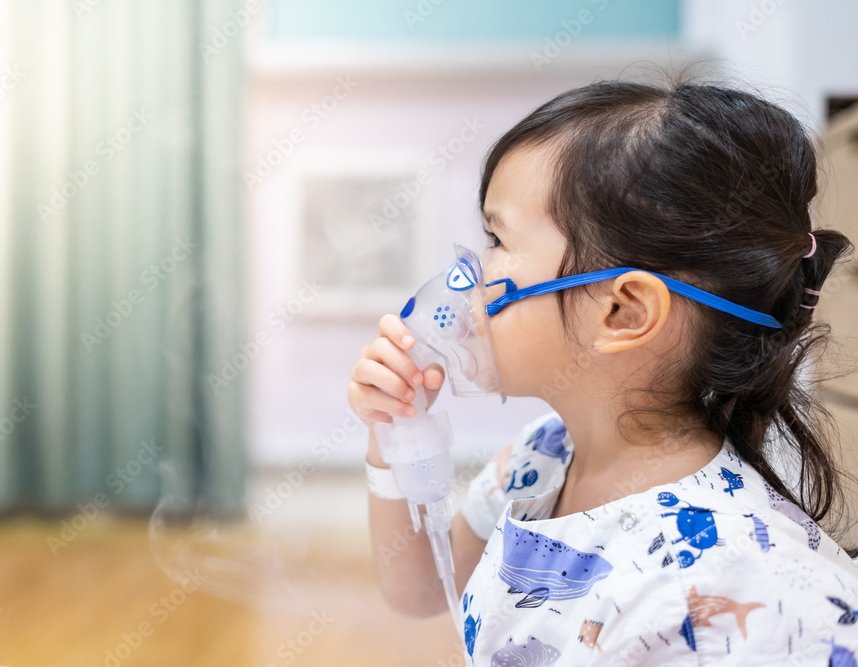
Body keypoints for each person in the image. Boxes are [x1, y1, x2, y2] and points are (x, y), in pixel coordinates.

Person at [347, 79, 858, 665]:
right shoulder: (541, 459)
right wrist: (394, 432)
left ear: (623, 312)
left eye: (496, 239)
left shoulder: (735, 588)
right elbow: (418, 590)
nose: (471, 274)